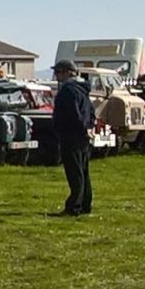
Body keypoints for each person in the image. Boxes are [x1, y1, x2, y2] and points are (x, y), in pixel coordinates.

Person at [49, 60, 95, 216]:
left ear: (68, 72)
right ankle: (85, 204)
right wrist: (89, 127)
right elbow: (91, 111)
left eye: (59, 72)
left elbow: (73, 114)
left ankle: (73, 207)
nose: (56, 75)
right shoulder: (82, 89)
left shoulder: (68, 90)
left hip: (71, 135)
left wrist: (80, 128)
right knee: (83, 171)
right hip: (82, 136)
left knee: (74, 172)